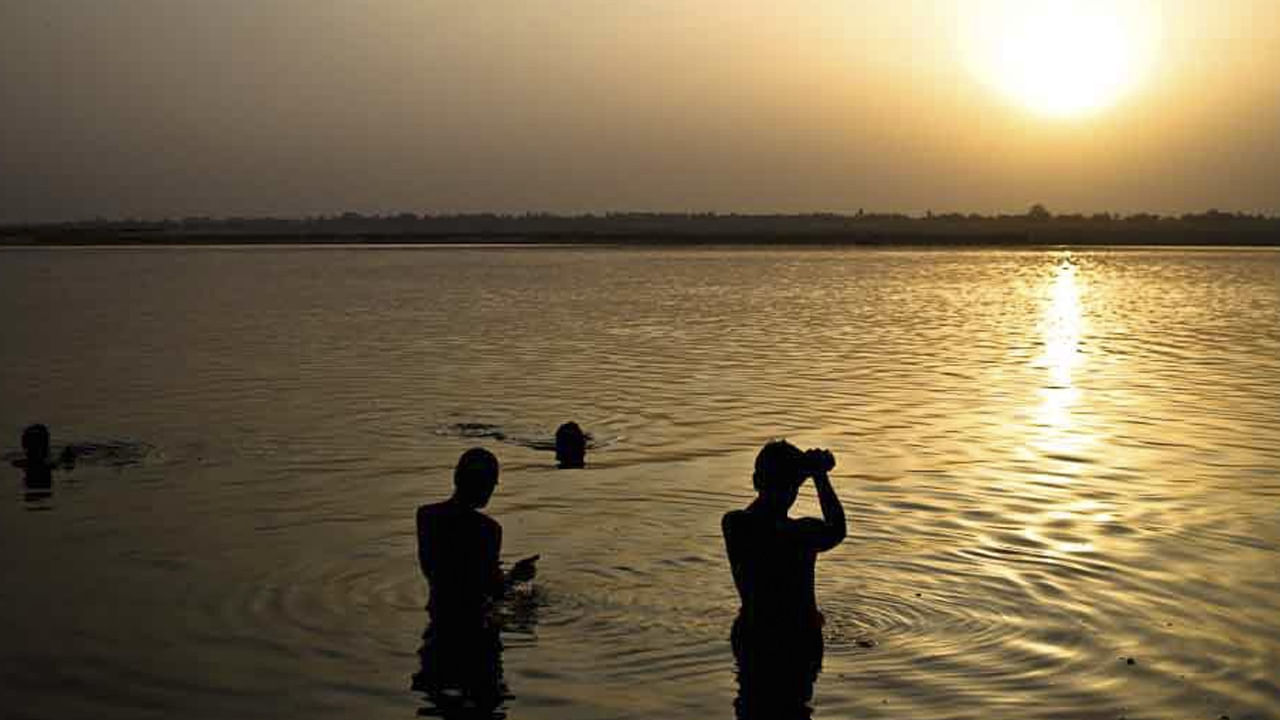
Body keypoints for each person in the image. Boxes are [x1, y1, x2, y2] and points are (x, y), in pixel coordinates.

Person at [722, 440, 846, 719]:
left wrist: (801, 472)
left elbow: (762, 518)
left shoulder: (735, 525)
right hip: (798, 640)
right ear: (796, 488)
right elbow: (837, 529)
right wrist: (819, 475)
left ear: (756, 481)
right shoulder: (803, 534)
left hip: (754, 636)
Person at [413, 448, 538, 711]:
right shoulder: (488, 531)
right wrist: (517, 576)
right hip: (475, 632)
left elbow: (444, 573)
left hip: (438, 618)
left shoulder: (426, 518)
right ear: (486, 487)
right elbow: (492, 590)